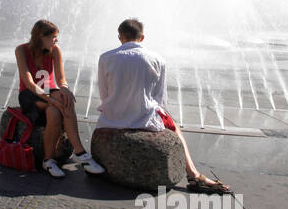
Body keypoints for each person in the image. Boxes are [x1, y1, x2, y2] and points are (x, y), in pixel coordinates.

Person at [95, 18, 230, 193]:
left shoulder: (106, 57)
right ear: (142, 37)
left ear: (120, 37)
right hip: (145, 119)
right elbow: (160, 98)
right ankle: (194, 175)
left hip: (111, 118)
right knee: (175, 128)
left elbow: (104, 93)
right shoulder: (157, 59)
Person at [16, 20, 104, 177]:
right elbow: (29, 83)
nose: (56, 40)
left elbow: (61, 79)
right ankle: (82, 154)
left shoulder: (55, 50)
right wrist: (52, 99)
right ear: (42, 36)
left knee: (56, 111)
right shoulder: (21, 50)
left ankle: (48, 161)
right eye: (54, 37)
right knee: (61, 103)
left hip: (51, 93)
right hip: (30, 94)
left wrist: (65, 89)